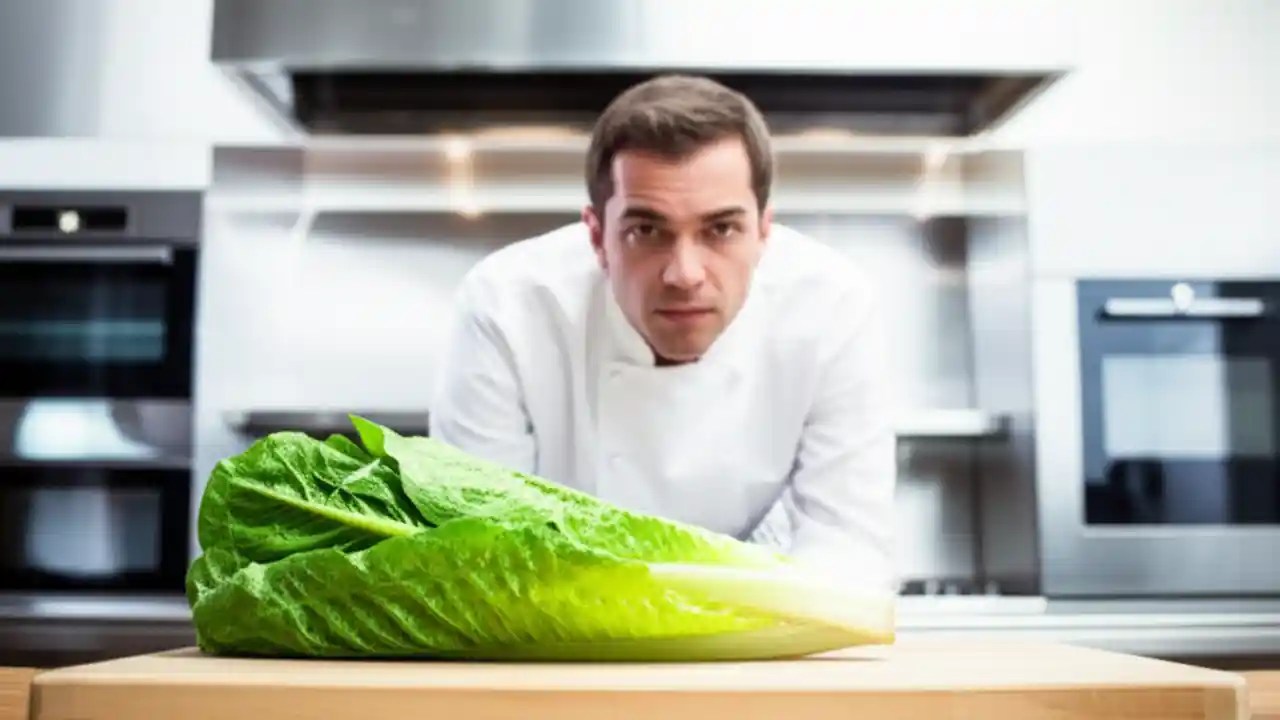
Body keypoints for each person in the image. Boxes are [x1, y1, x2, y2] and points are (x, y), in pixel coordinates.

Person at [428, 74, 897, 591]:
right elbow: (480, 549)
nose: (685, 273)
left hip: (756, 622)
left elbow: (847, 546)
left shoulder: (832, 308)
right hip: (556, 625)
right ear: (597, 237)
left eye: (721, 229)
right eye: (646, 231)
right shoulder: (505, 308)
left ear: (764, 233)